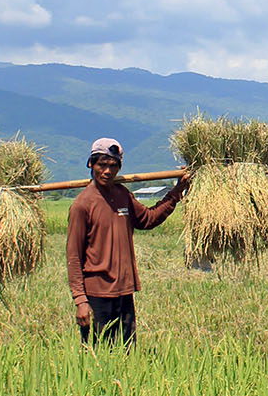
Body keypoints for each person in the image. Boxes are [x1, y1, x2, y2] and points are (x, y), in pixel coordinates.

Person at [66, 137, 190, 346]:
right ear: (90, 164)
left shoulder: (122, 194)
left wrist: (176, 192)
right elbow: (74, 256)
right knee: (98, 356)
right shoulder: (82, 204)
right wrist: (80, 301)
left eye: (113, 166)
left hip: (124, 291)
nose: (107, 171)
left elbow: (147, 219)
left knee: (126, 352)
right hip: (98, 294)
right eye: (101, 165)